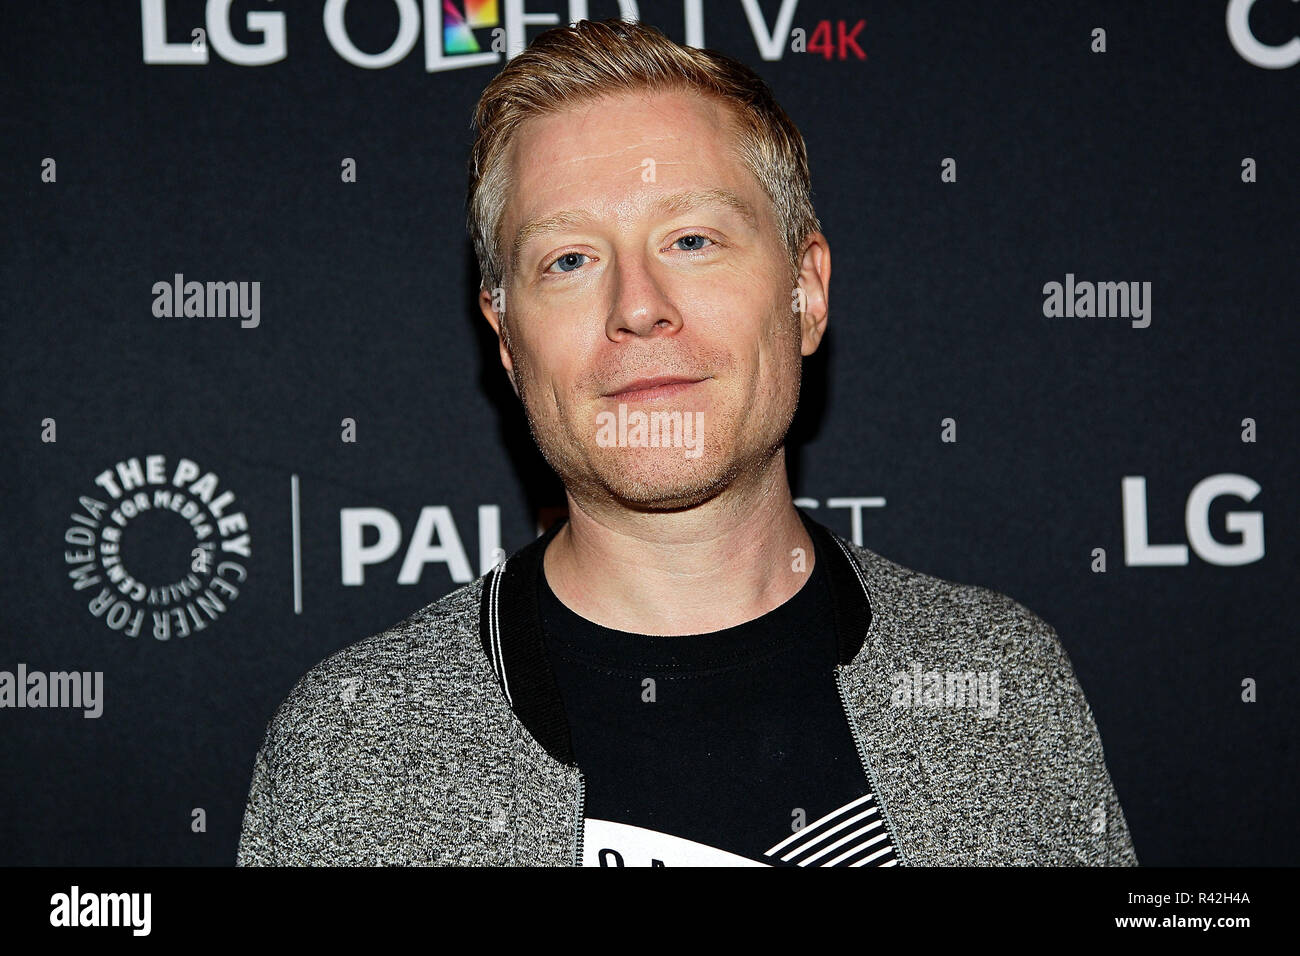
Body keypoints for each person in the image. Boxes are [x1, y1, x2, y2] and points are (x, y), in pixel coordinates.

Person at [236, 17, 1137, 867]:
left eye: (693, 238)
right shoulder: (359, 748)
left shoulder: (1000, 684)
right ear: (508, 342)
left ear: (807, 291)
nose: (637, 306)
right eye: (569, 260)